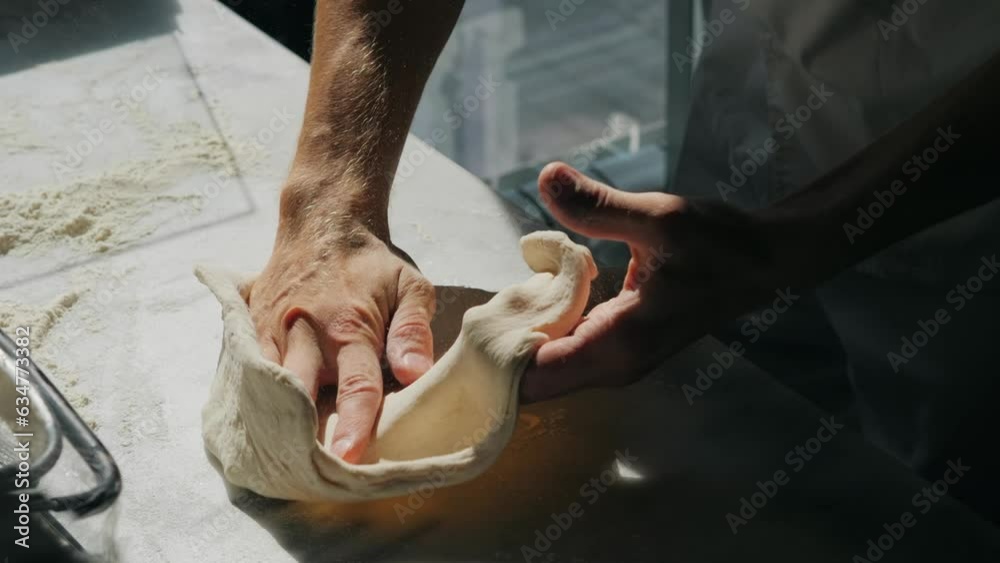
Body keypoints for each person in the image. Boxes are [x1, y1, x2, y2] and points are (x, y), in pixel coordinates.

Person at [246, 0, 1000, 517]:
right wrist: (328, 199)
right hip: (762, 89)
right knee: (733, 450)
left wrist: (801, 237)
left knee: (941, 510)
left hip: (961, 208)